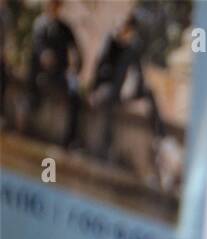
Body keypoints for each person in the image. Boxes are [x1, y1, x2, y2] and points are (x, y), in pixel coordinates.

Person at [88, 6, 161, 160]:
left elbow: (138, 73)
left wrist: (136, 88)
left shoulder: (133, 48)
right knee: (109, 101)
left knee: (149, 92)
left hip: (126, 90)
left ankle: (159, 136)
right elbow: (99, 67)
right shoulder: (111, 43)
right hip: (109, 88)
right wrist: (93, 90)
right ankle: (105, 147)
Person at [23, 0, 82, 147]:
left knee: (74, 94)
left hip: (60, 74)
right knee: (33, 81)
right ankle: (30, 111)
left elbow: (77, 50)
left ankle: (70, 138)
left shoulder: (64, 27)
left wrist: (76, 65)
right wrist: (44, 55)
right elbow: (38, 46)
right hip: (41, 73)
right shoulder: (40, 24)